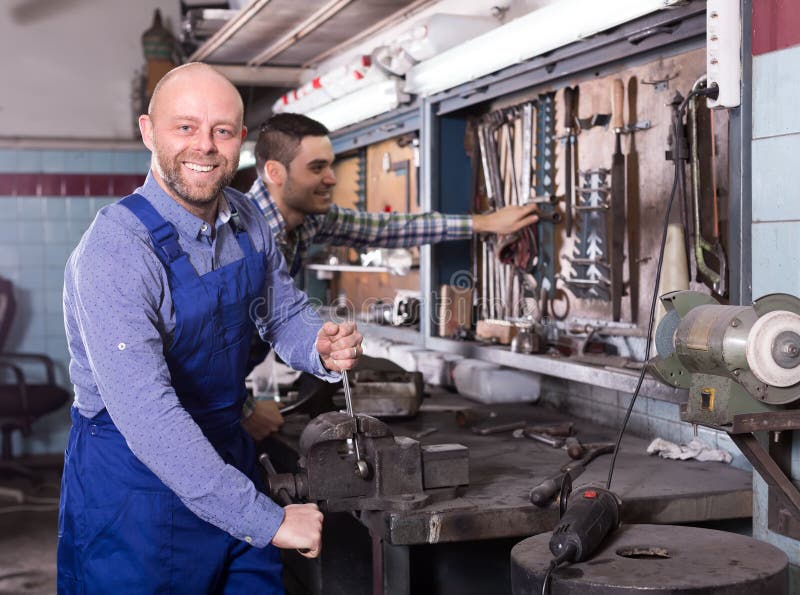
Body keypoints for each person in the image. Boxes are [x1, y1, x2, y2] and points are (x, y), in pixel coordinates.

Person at [57, 62, 363, 594]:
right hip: (136, 494)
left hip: (227, 455)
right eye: (185, 127)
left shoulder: (247, 218)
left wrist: (316, 343)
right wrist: (268, 520)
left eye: (221, 131)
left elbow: (283, 312)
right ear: (148, 131)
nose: (205, 146)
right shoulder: (116, 252)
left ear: (241, 141)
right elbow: (149, 417)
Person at [242, 112, 540, 438]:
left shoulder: (307, 220)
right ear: (275, 172)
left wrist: (483, 223)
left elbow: (388, 229)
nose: (331, 178)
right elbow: (205, 339)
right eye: (317, 168)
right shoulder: (239, 235)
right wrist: (244, 407)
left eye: (330, 165)